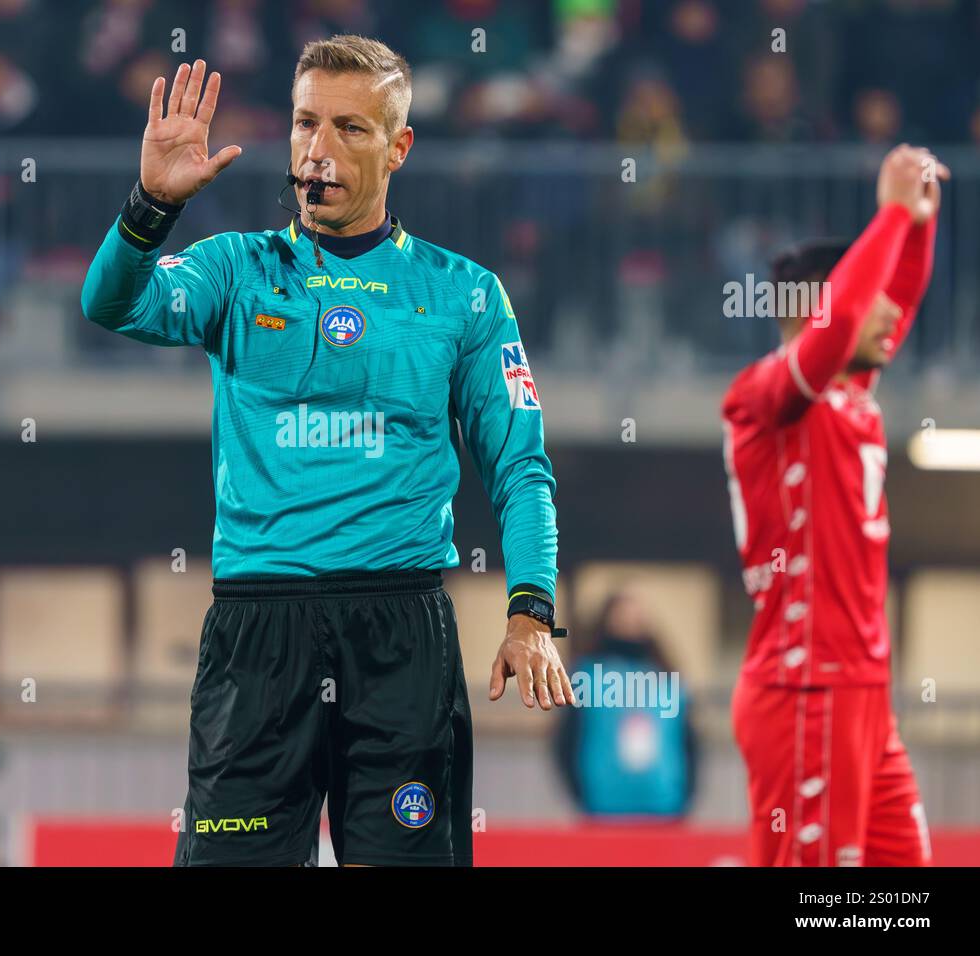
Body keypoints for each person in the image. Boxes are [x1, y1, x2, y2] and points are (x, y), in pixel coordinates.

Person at [81, 35, 570, 867]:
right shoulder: (237, 269)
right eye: (307, 123)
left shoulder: (465, 293)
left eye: (350, 127)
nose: (319, 148)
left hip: (401, 637)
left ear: (398, 146)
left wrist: (531, 611)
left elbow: (521, 466)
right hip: (257, 634)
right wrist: (148, 208)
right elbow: (111, 305)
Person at [722, 143, 945, 866]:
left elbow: (893, 306)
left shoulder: (851, 396)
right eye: (869, 297)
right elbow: (845, 324)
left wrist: (917, 222)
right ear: (823, 312)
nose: (893, 315)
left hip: (860, 693)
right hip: (805, 686)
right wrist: (888, 215)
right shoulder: (766, 395)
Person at [554, 590, 697, 818]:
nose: (630, 623)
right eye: (623, 617)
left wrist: (686, 796)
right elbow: (567, 739)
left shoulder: (667, 678)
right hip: (603, 806)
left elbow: (689, 742)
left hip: (664, 805)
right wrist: (581, 794)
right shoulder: (586, 676)